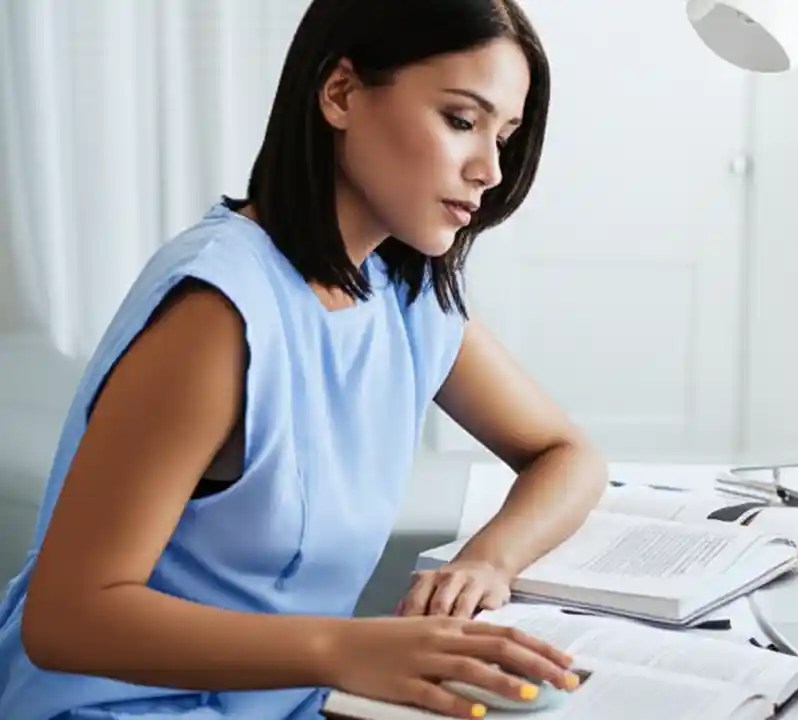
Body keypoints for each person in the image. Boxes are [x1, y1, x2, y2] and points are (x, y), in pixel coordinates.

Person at [0, 0, 607, 717]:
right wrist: (346, 650)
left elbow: (565, 455)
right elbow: (66, 620)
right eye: (460, 120)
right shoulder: (219, 314)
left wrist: (487, 561)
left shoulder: (405, 295)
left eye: (504, 137)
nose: (489, 170)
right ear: (340, 93)